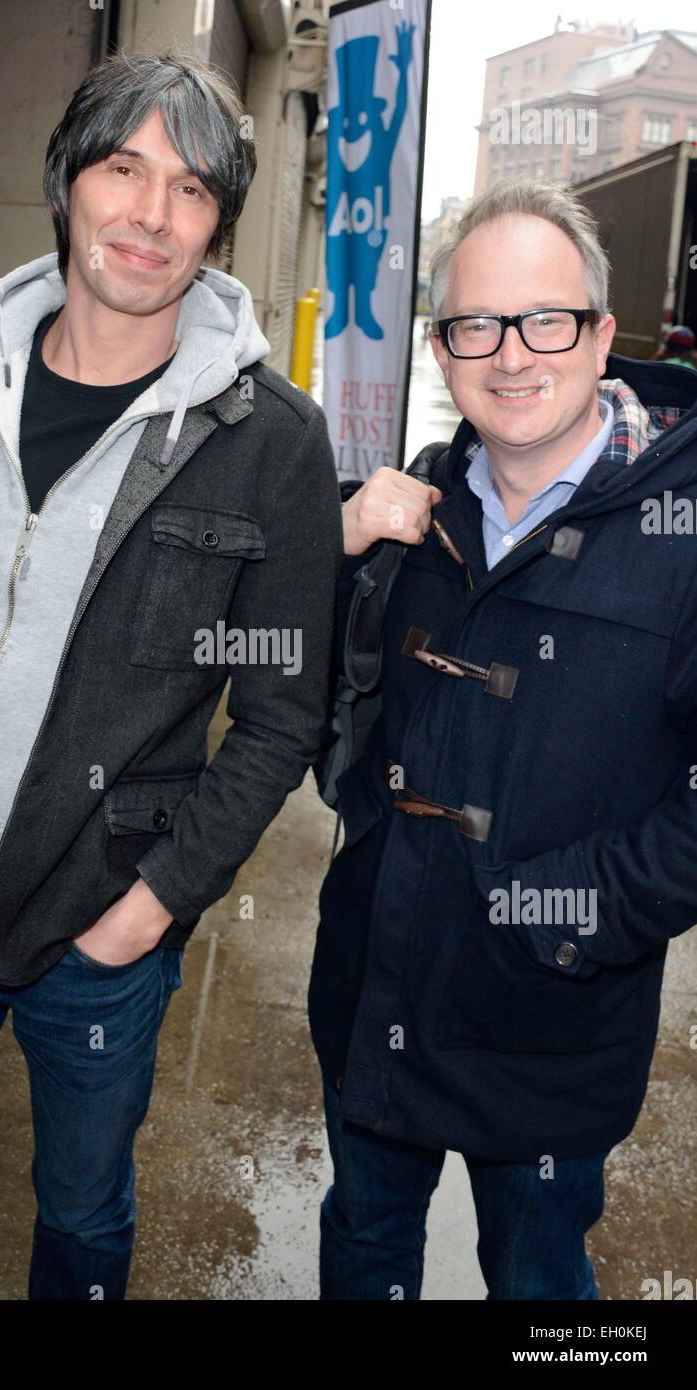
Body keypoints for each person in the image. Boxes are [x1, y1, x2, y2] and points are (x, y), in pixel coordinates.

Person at [0, 50, 343, 1300]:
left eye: (192, 189)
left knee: (84, 1228)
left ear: (216, 227)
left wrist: (147, 912)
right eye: (122, 168)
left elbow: (277, 716)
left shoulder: (271, 442)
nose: (151, 214)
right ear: (67, 182)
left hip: (100, 922)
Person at [309, 178, 697, 1300]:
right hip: (376, 991)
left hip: (549, 1020)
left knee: (536, 1284)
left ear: (600, 334)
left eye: (546, 319)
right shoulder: (410, 509)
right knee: (366, 1248)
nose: (511, 354)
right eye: (476, 324)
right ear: (442, 348)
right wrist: (330, 557)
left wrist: (570, 913)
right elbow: (304, 699)